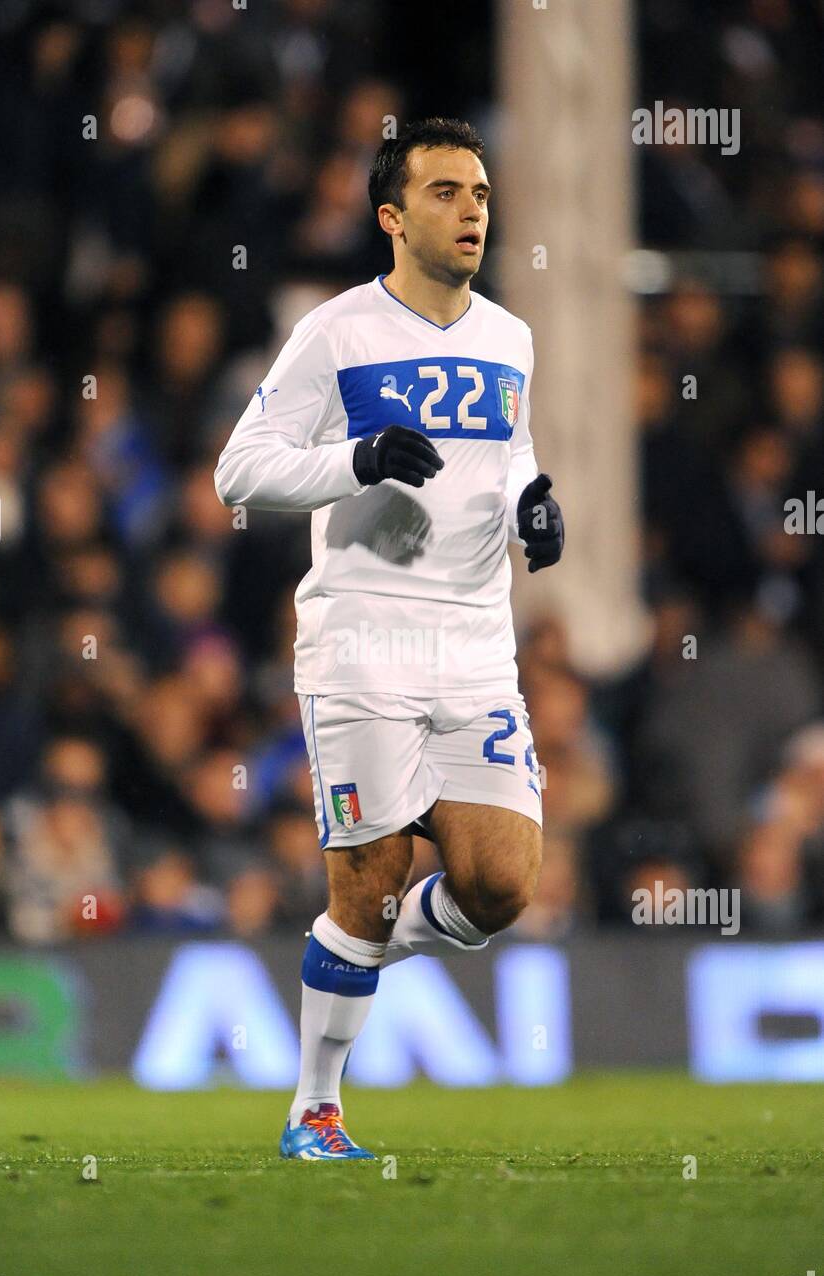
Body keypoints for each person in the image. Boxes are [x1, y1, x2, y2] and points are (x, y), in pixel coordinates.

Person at [215, 117, 564, 1159]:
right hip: (360, 640)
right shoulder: (336, 332)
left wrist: (531, 502)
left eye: (481, 194)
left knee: (501, 882)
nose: (471, 211)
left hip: (473, 645)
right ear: (391, 215)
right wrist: (356, 461)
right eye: (448, 192)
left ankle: (350, 948)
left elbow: (511, 453)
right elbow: (240, 470)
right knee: (363, 882)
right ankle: (313, 1108)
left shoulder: (510, 337)